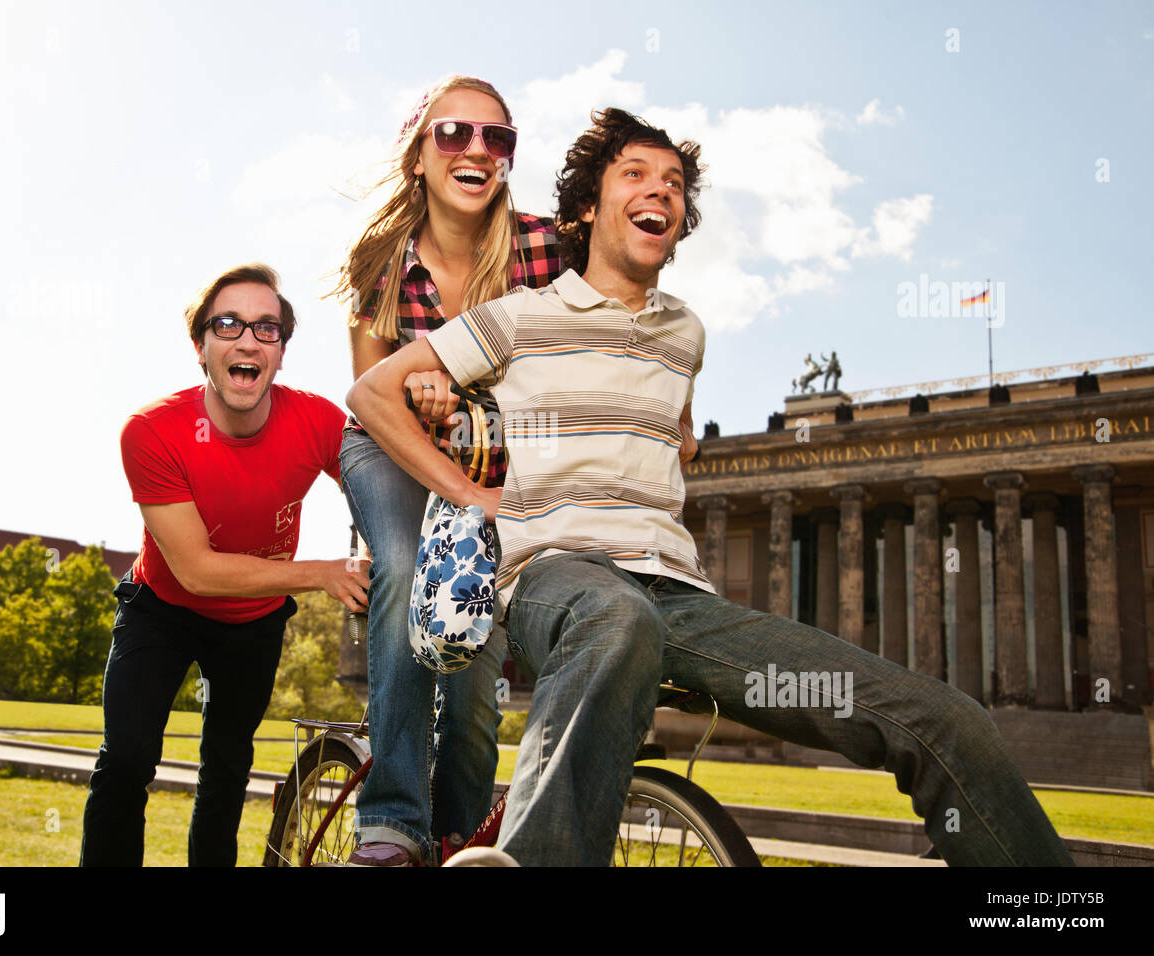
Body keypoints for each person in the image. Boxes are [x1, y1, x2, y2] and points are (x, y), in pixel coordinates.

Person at [347, 109, 1074, 866]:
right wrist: (473, 497)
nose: (660, 189)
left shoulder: (685, 333)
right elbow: (372, 394)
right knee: (615, 620)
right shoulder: (520, 317)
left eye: (675, 183)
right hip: (558, 580)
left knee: (943, 718)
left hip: (679, 599)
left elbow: (677, 430)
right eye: (635, 173)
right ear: (589, 207)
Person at [332, 75, 564, 866]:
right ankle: (391, 823)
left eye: (498, 138)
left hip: (492, 465)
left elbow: (592, 348)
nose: (478, 150)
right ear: (419, 155)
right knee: (403, 568)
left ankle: (462, 840)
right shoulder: (379, 261)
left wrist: (460, 381)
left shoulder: (546, 249)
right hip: (389, 450)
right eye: (454, 134)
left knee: (471, 666)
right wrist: (412, 372)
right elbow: (375, 397)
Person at [80, 263, 369, 867]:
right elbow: (198, 572)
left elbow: (378, 494)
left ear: (281, 354)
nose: (247, 339)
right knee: (127, 759)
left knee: (227, 769)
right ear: (201, 347)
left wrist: (375, 551)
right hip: (162, 610)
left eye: (267, 328)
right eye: (228, 324)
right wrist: (322, 572)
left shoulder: (315, 420)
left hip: (253, 621)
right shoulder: (152, 430)